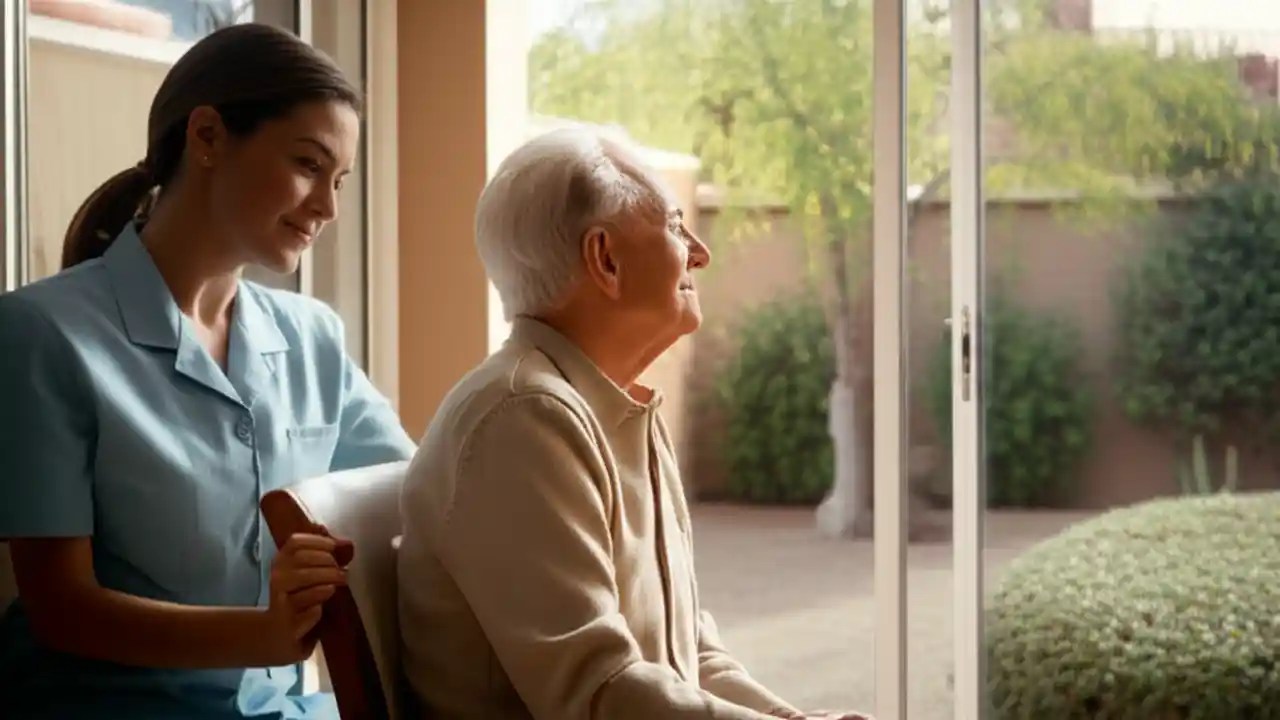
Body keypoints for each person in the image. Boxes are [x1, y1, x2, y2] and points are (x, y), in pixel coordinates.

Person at [0, 23, 415, 720]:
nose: (329, 207)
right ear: (209, 136)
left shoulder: (311, 336)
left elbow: (417, 495)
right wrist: (263, 633)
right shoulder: (41, 334)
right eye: (309, 165)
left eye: (340, 180)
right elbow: (62, 610)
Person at [396, 128, 871, 720]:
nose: (700, 251)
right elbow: (603, 691)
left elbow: (694, 661)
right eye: (675, 225)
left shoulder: (607, 407)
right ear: (606, 259)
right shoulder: (524, 418)